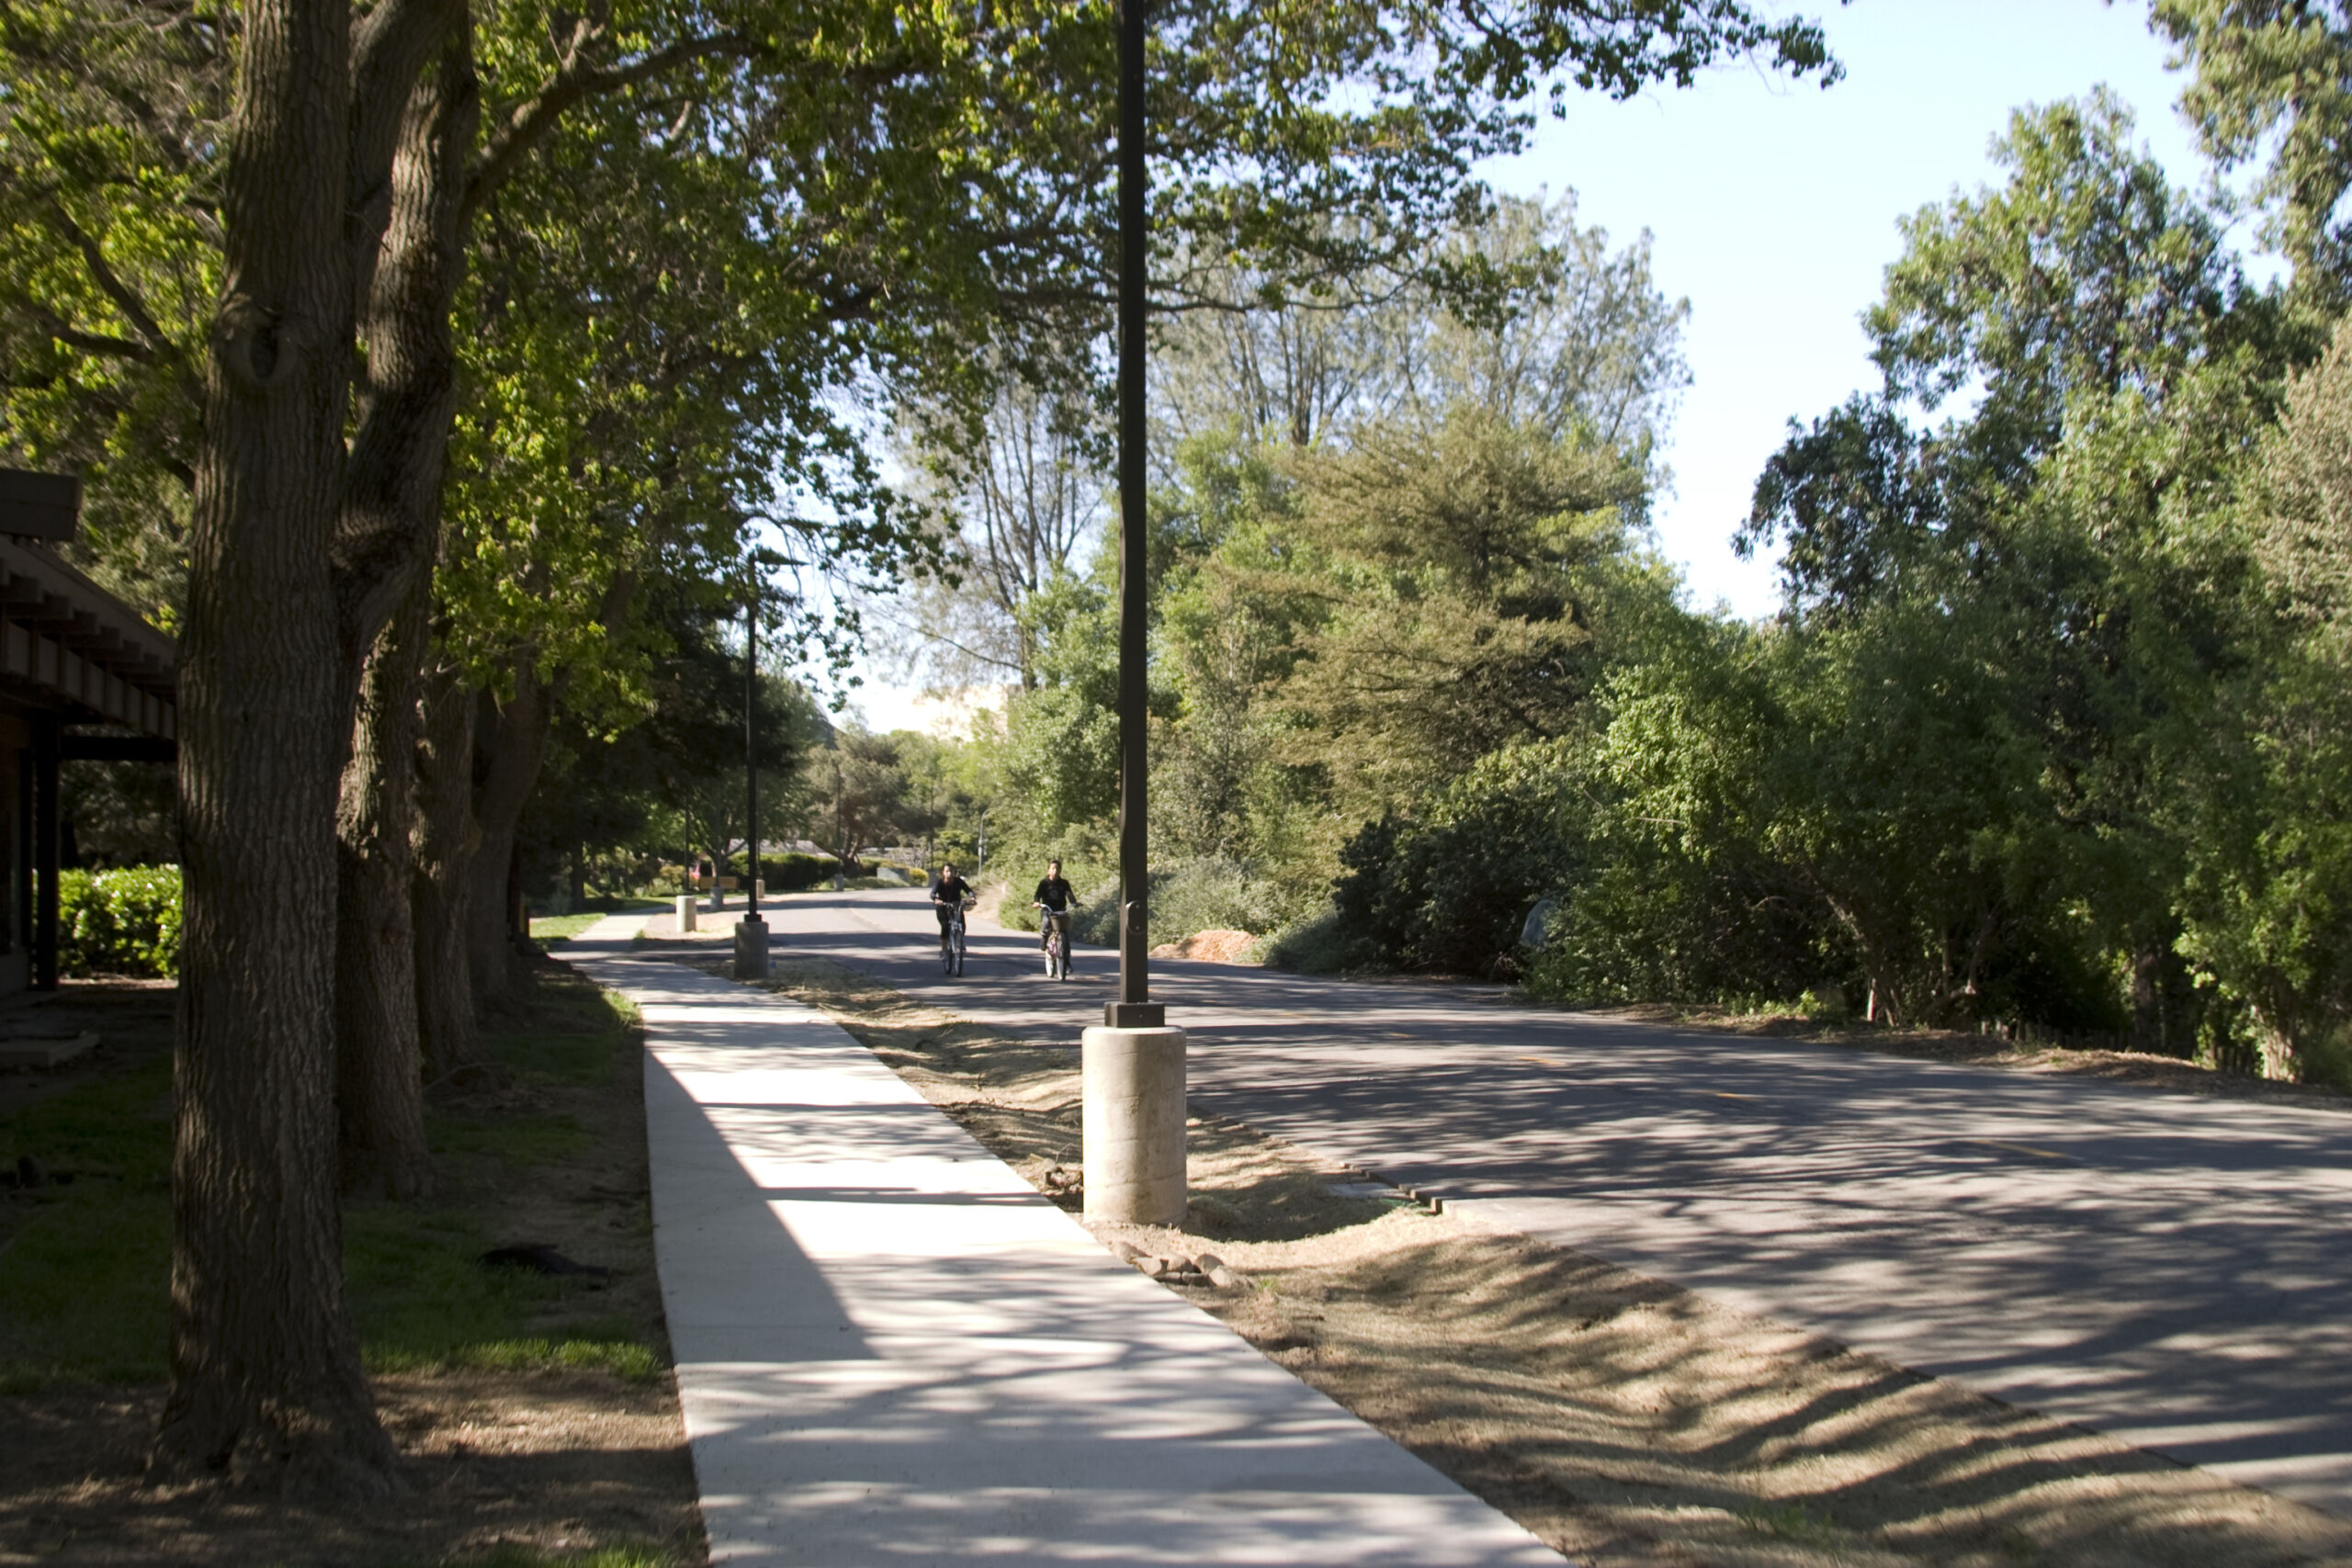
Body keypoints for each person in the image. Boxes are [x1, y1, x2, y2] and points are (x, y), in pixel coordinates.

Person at [1033, 859, 1076, 963]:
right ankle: (1044, 938)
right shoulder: (1044, 883)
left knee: (1064, 934)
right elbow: (1037, 894)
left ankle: (1067, 962)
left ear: (1060, 871)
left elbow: (1069, 894)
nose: (1055, 871)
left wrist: (1074, 902)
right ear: (1048, 870)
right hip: (1048, 909)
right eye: (1053, 868)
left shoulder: (1064, 883)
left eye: (1057, 869)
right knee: (1046, 922)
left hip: (1061, 910)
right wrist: (1036, 902)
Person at [931, 862, 975, 951]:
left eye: (951, 871)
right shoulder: (939, 882)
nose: (949, 873)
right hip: (943, 906)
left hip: (956, 906)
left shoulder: (958, 881)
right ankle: (944, 950)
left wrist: (972, 897)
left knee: (962, 924)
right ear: (943, 872)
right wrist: (936, 900)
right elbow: (932, 894)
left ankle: (959, 941)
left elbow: (968, 890)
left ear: (954, 872)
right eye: (947, 871)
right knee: (945, 926)